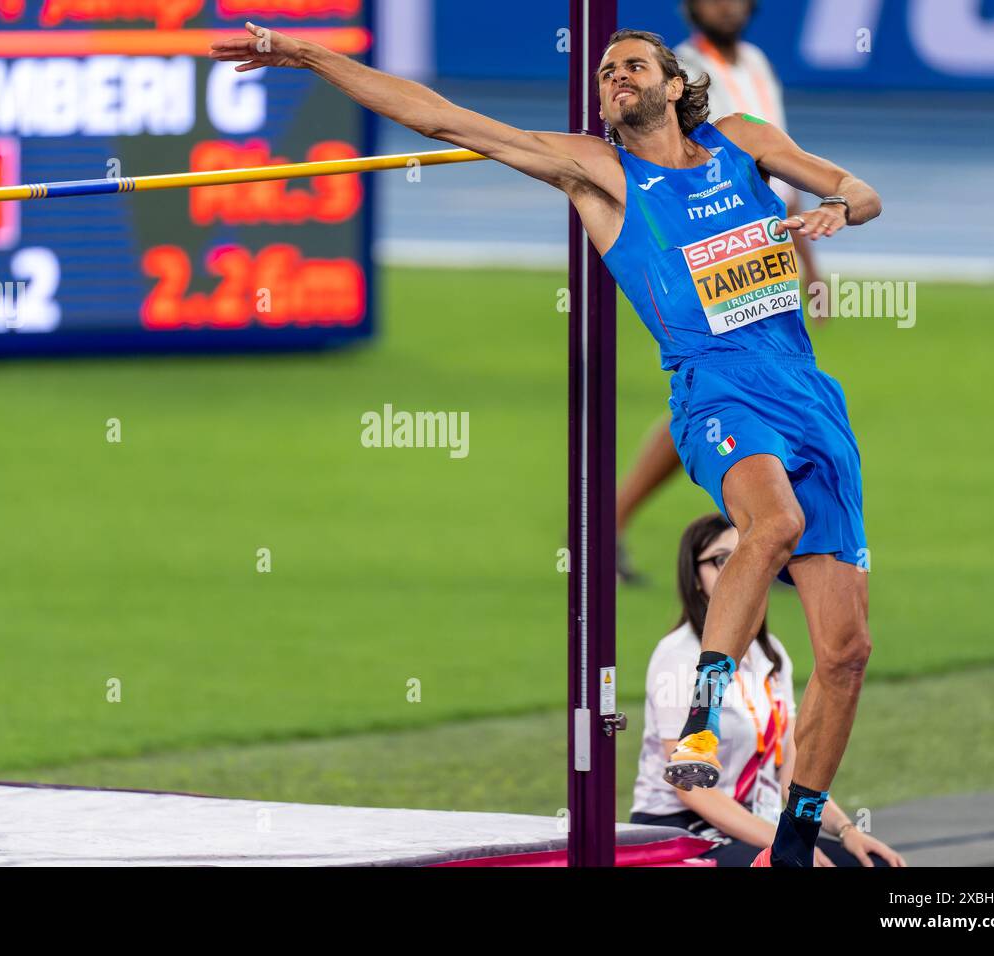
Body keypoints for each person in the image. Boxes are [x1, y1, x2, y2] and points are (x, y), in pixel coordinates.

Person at [211, 20, 882, 867]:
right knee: (771, 525)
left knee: (847, 652)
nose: (614, 78)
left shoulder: (744, 142)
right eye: (604, 72)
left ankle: (793, 841)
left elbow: (860, 189)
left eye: (631, 65)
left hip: (808, 394)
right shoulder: (599, 173)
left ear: (674, 85)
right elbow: (444, 120)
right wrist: (307, 55)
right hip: (716, 388)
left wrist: (836, 208)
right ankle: (701, 729)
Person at [615, 0, 822, 585]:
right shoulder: (670, 70)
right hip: (706, 259)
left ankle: (768, 538)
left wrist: (808, 264)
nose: (724, 6)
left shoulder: (755, 63)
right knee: (722, 394)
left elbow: (778, 170)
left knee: (749, 398)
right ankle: (761, 540)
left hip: (763, 258)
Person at [632, 514, 904, 867]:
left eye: (747, 558)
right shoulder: (678, 656)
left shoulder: (770, 654)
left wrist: (847, 830)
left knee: (873, 865)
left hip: (754, 820)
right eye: (720, 561)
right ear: (695, 579)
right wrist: (783, 843)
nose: (738, 571)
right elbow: (691, 789)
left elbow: (791, 772)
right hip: (682, 829)